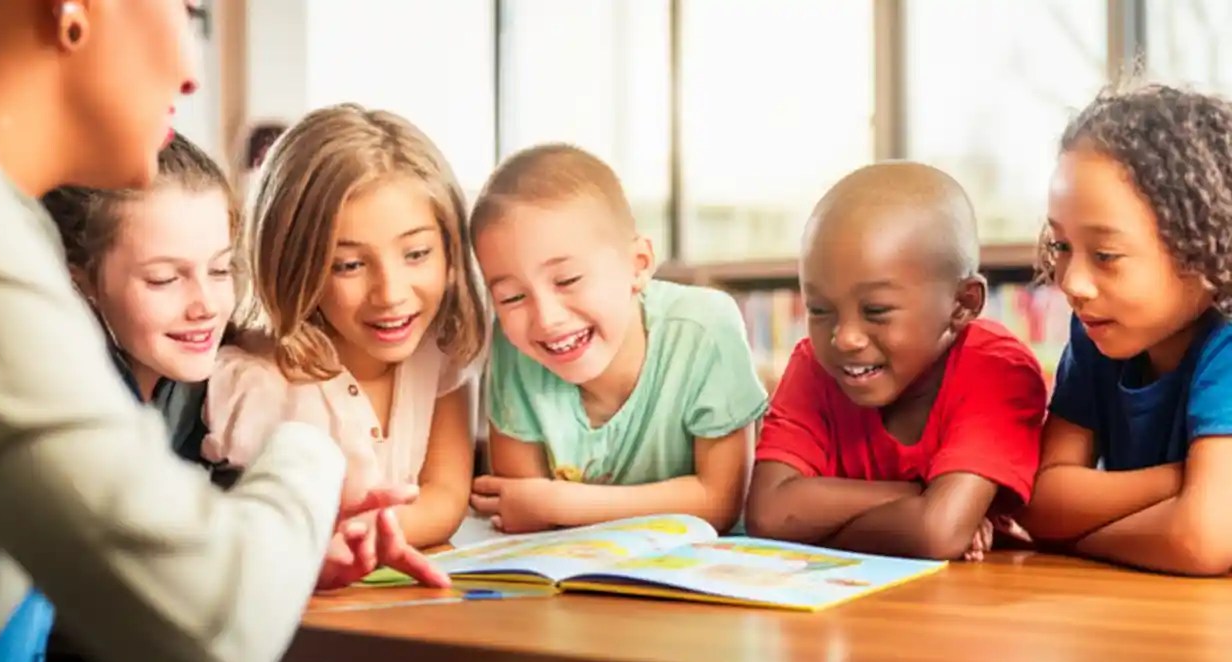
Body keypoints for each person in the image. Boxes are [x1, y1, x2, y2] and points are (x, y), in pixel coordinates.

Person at [0, 2, 444, 662]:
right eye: (184, 7)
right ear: (73, 10)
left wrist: (277, 557)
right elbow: (216, 636)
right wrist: (313, 454)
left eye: (220, 270)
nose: (191, 72)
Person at [202, 103, 488, 590]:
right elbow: (247, 539)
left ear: (450, 252)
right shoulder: (253, 383)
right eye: (349, 265)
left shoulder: (438, 354)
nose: (390, 293)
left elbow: (444, 497)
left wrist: (356, 537)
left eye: (416, 253)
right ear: (293, 264)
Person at [745, 161, 1047, 561]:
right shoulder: (813, 366)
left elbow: (935, 534)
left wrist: (811, 528)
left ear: (962, 304)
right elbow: (767, 515)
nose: (844, 338)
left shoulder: (997, 371)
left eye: (875, 311)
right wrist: (919, 496)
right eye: (819, 310)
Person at [470, 143, 767, 534]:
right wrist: (540, 506)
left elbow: (719, 502)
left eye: (567, 280)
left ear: (638, 265)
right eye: (511, 297)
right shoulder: (513, 347)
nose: (546, 319)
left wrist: (560, 503)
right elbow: (522, 509)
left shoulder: (704, 328)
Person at [1021, 82, 1232, 577]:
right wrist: (1179, 480)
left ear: (1203, 248)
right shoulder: (1096, 337)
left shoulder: (1224, 347)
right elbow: (1041, 500)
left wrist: (1074, 539)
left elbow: (1201, 540)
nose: (1072, 284)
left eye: (1106, 255)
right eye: (1061, 246)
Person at [42, 131, 236, 475]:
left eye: (220, 269)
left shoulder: (233, 392)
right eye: (164, 278)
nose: (206, 305)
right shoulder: (52, 426)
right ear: (81, 282)